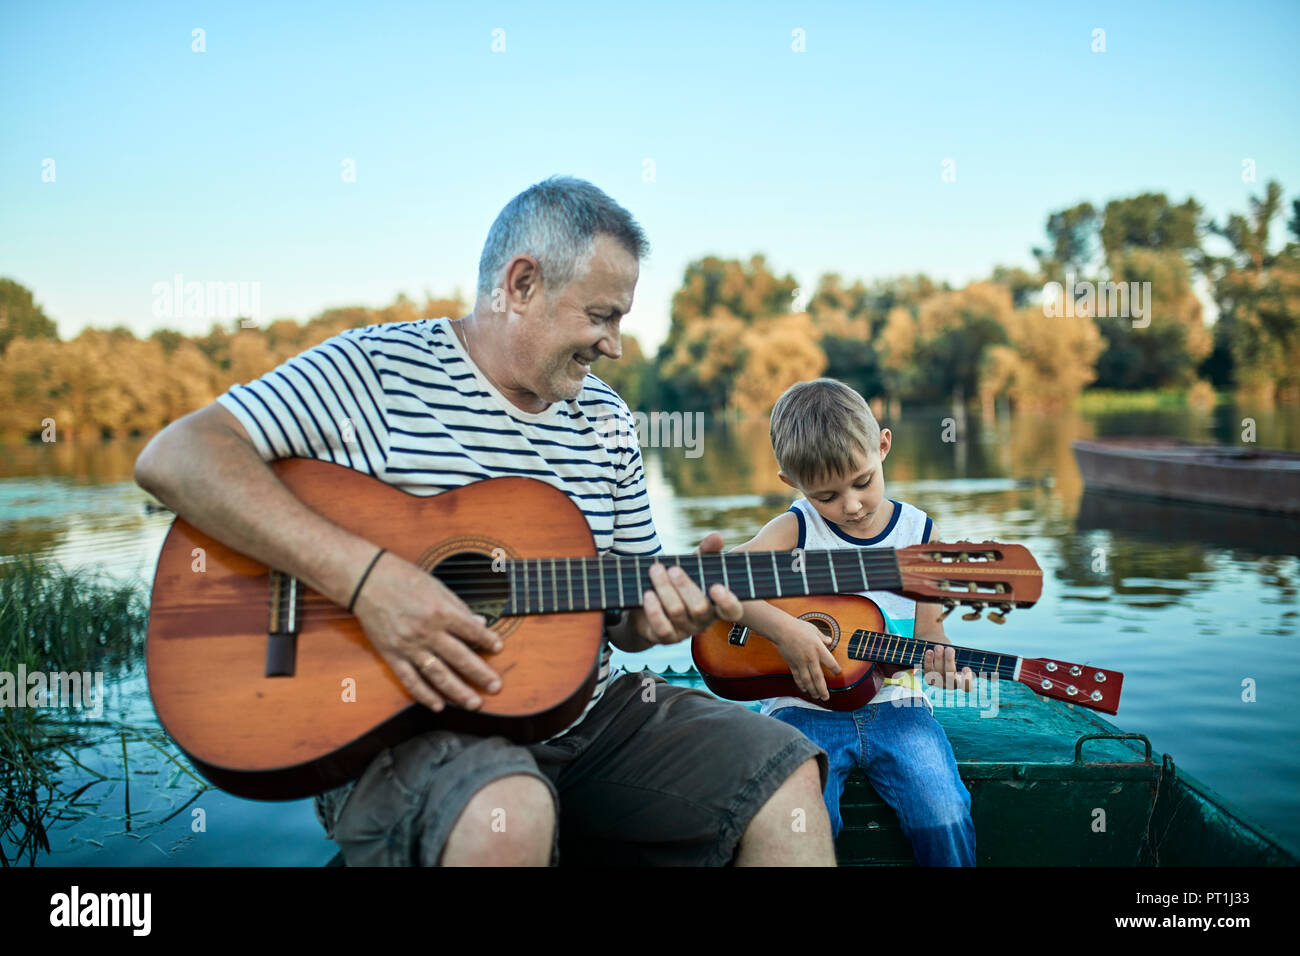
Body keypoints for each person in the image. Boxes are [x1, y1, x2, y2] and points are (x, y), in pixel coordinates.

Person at [133, 176, 832, 866]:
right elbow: (178, 456)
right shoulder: (376, 369)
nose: (615, 344)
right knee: (510, 814)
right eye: (602, 315)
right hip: (402, 734)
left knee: (788, 775)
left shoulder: (607, 419)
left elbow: (624, 614)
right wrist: (368, 581)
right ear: (521, 284)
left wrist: (658, 620)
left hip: (587, 718)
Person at [725, 378, 977, 865]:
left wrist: (945, 663)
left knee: (944, 810)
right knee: (806, 820)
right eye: (826, 495)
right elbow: (723, 580)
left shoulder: (920, 533)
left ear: (883, 445)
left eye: (863, 481)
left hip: (899, 706)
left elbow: (931, 635)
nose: (852, 505)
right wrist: (785, 630)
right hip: (802, 709)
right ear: (792, 484)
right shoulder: (795, 528)